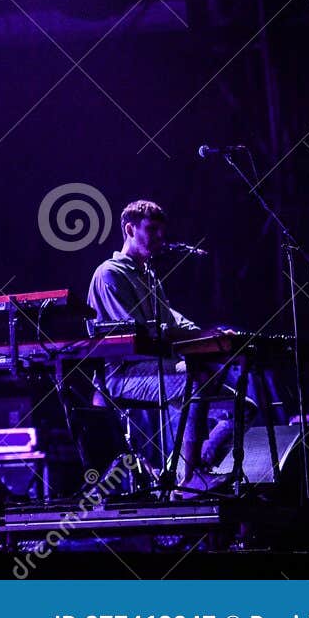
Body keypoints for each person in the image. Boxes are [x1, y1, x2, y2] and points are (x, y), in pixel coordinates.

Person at [88, 199, 230, 489]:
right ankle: (191, 478)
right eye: (151, 230)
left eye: (160, 232)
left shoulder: (149, 276)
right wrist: (192, 337)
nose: (159, 238)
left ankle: (189, 468)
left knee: (242, 406)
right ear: (129, 229)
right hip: (122, 376)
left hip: (155, 368)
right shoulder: (109, 273)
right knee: (199, 380)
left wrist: (208, 333)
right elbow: (137, 332)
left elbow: (170, 320)